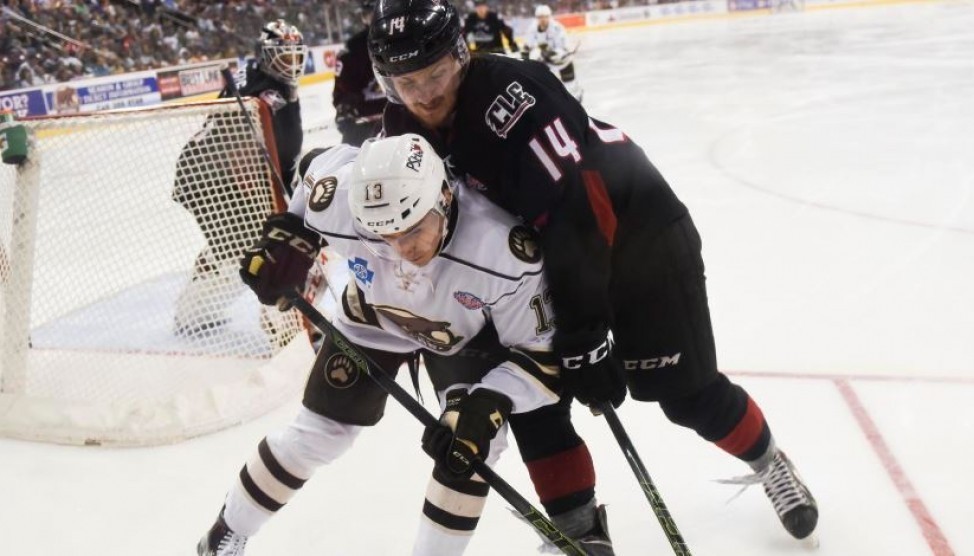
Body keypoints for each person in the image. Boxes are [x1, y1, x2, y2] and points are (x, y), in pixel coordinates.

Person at [368, 0, 819, 543]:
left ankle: (770, 463)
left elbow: (582, 213)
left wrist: (585, 334)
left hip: (641, 241)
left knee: (685, 394)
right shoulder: (401, 125)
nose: (424, 95)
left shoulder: (515, 100)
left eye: (435, 74)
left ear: (460, 55)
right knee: (533, 402)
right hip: (539, 265)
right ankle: (582, 535)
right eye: (405, 82)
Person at [196, 134, 613, 555]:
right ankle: (224, 533)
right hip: (371, 320)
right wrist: (289, 237)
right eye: (383, 235)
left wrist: (489, 403)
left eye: (414, 230)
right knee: (319, 434)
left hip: (462, 340)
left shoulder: (503, 252)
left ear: (445, 197)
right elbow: (312, 170)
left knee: (466, 452)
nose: (402, 249)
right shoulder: (340, 199)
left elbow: (538, 358)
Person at [171, 19, 307, 339]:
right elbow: (241, 156)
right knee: (253, 247)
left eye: (295, 57)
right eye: (283, 57)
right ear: (264, 55)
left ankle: (195, 313)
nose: (291, 65)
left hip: (213, 175)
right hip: (209, 180)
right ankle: (280, 326)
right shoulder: (264, 91)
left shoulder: (264, 81)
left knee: (235, 248)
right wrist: (277, 204)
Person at [333, 0, 387, 147]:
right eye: (368, 15)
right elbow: (341, 93)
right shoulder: (352, 50)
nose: (372, 20)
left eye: (375, 14)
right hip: (364, 125)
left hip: (399, 117)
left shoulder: (403, 40)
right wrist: (346, 108)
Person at [520, 4, 582, 102]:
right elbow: (527, 46)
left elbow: (564, 48)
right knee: (545, 84)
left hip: (563, 61)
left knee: (571, 87)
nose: (543, 19)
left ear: (549, 16)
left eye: (545, 16)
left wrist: (553, 53)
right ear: (537, 18)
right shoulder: (532, 29)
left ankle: (577, 99)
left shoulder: (557, 28)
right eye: (540, 17)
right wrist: (525, 61)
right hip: (547, 61)